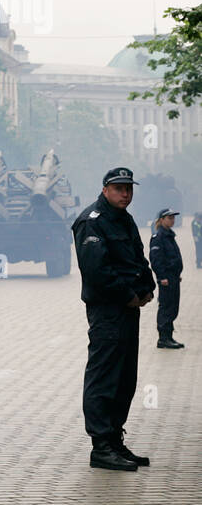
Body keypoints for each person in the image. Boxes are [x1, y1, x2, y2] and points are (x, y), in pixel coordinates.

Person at [71, 167, 157, 472]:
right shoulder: (91, 222)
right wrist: (128, 295)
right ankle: (101, 447)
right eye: (119, 188)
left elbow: (138, 258)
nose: (125, 193)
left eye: (129, 188)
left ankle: (115, 440)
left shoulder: (125, 219)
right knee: (104, 377)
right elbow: (97, 272)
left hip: (128, 308)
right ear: (105, 189)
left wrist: (147, 287)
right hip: (108, 311)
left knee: (124, 378)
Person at [148, 208, 185, 350]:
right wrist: (162, 276)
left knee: (173, 307)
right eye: (169, 218)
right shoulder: (158, 237)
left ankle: (169, 336)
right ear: (161, 220)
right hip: (166, 279)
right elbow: (156, 259)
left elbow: (173, 257)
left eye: (173, 218)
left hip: (173, 277)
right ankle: (163, 338)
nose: (172, 220)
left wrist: (177, 273)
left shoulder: (169, 235)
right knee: (166, 307)